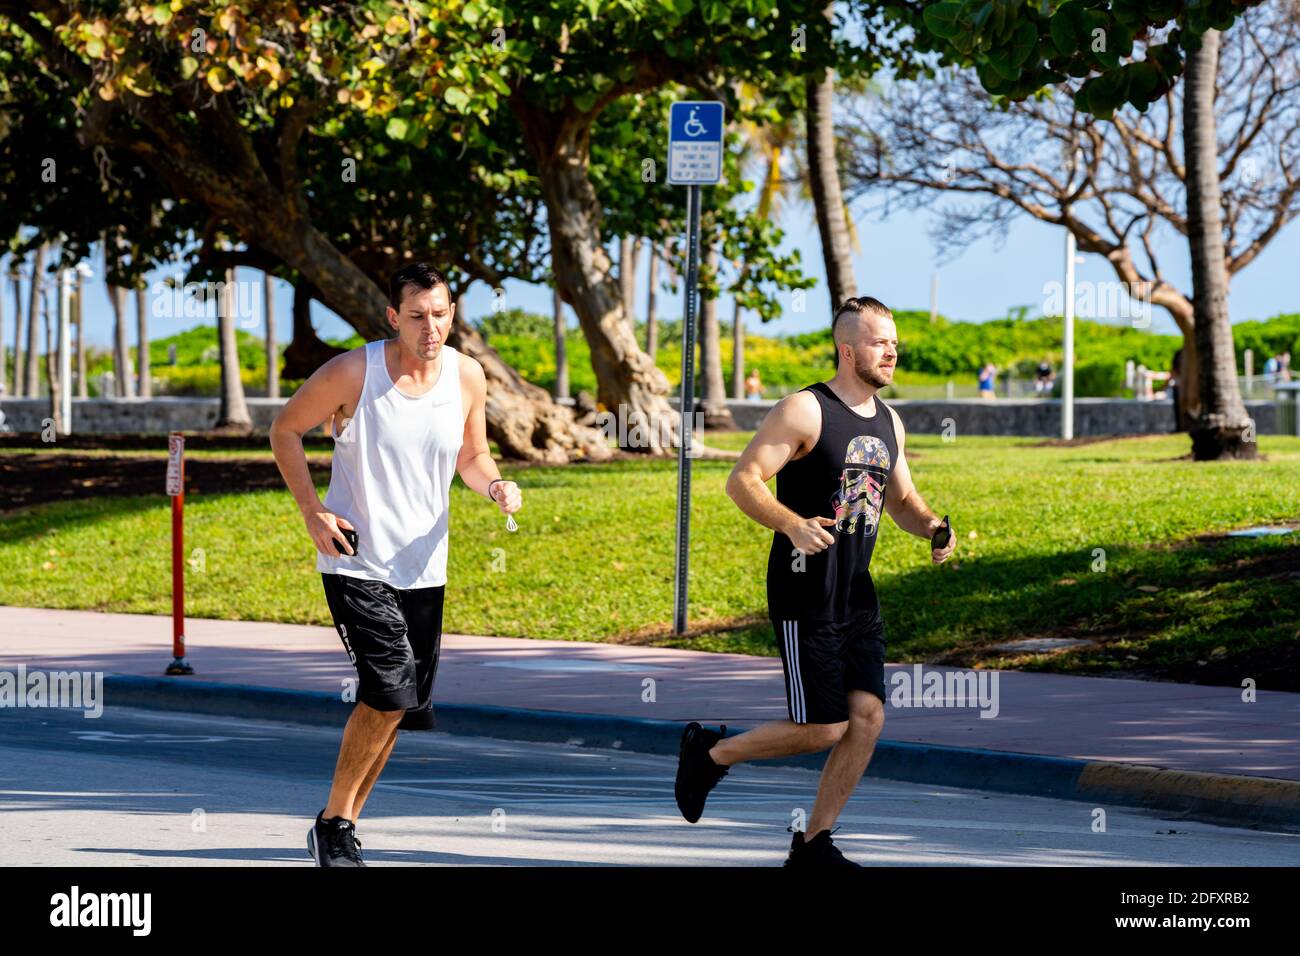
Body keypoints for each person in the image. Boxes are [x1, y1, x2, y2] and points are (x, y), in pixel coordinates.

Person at [674, 295, 956, 868]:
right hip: (807, 592)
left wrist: (931, 527)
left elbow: (901, 501)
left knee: (868, 717)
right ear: (848, 350)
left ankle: (813, 845)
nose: (892, 351)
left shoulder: (889, 420)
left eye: (895, 342)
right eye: (881, 342)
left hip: (857, 590)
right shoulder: (804, 410)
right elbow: (743, 479)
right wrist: (791, 523)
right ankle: (711, 754)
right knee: (824, 728)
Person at [270, 262, 522, 867]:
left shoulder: (467, 375)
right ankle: (332, 824)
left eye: (440, 314)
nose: (430, 327)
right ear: (393, 317)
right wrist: (312, 513)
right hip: (357, 559)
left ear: (452, 314)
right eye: (416, 316)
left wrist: (494, 487)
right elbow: (284, 429)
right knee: (386, 691)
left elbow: (473, 455)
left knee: (401, 704)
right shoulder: (354, 372)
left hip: (424, 566)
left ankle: (344, 824)